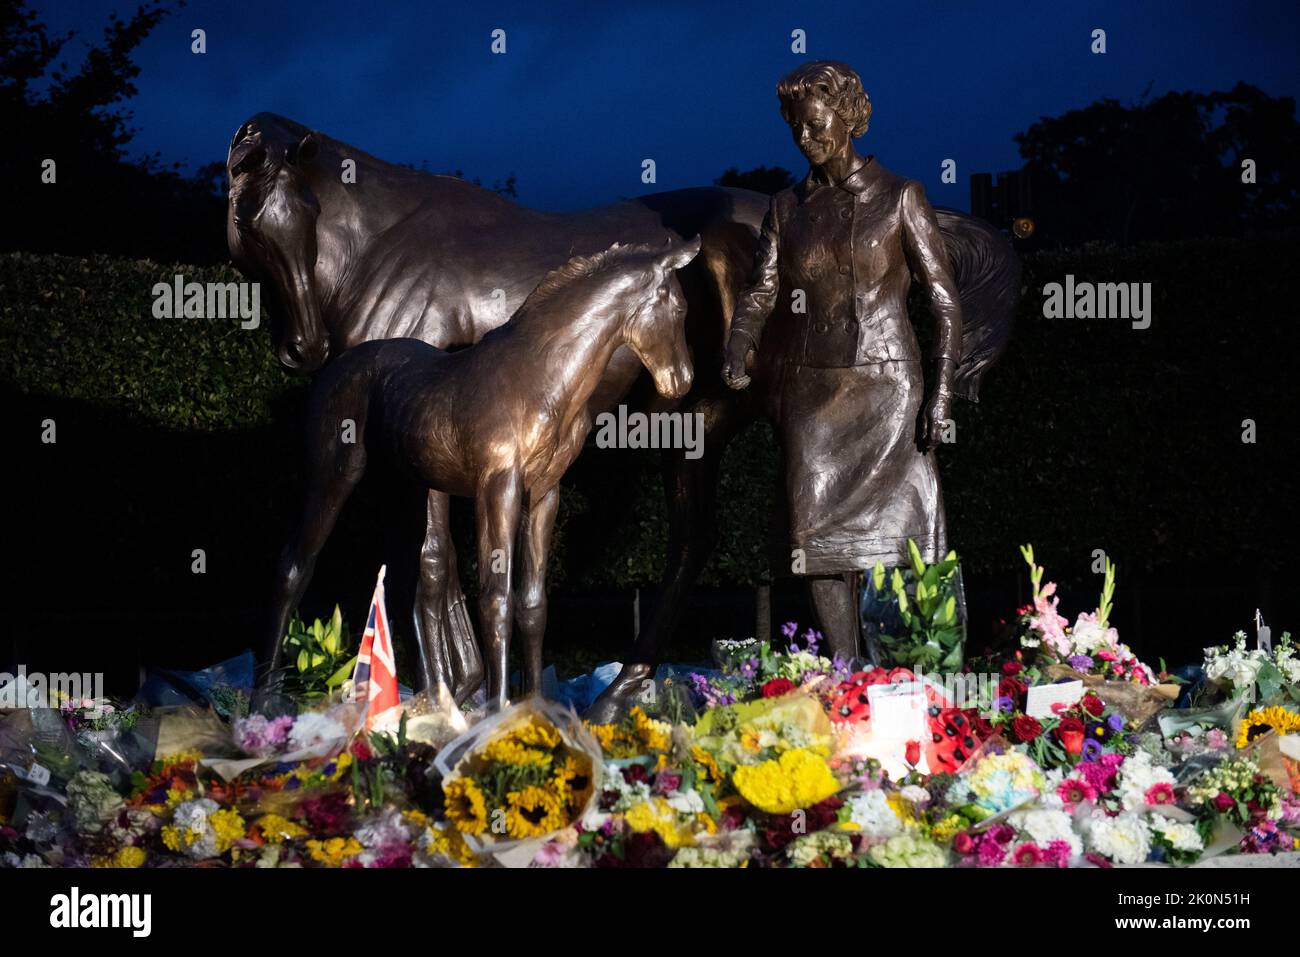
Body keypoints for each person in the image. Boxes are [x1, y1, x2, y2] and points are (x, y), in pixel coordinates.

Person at [722, 61, 962, 662]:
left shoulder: (900, 197)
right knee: (816, 536)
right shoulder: (785, 208)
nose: (806, 138)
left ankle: (906, 672)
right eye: (797, 128)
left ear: (848, 116)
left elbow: (944, 303)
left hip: (889, 386)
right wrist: (737, 343)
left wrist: (941, 396)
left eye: (816, 123)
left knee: (898, 539)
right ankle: (845, 671)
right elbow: (762, 291)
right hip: (811, 393)